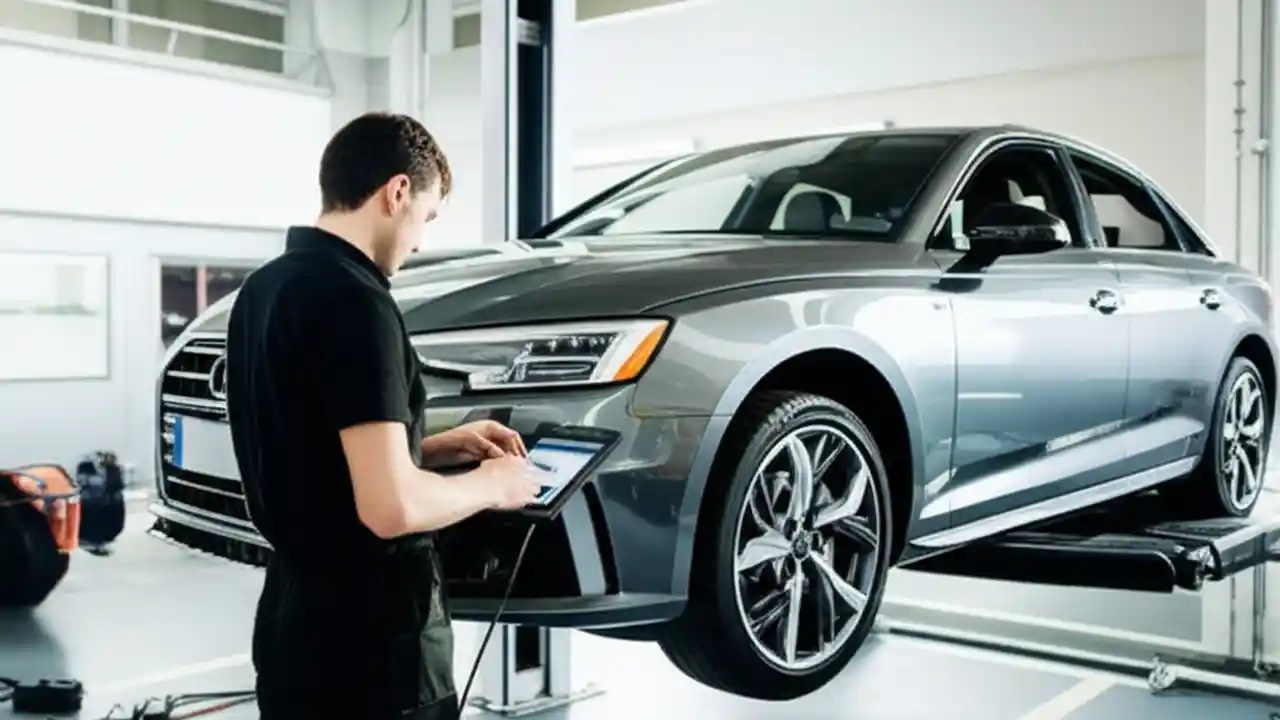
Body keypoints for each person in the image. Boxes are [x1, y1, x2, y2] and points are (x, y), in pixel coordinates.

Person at [225, 111, 543, 720]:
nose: (421, 240)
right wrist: (492, 484)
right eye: (426, 216)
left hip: (293, 636)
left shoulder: (264, 290)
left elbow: (312, 449)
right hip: (375, 658)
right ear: (397, 192)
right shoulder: (356, 301)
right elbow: (389, 508)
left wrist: (434, 445)